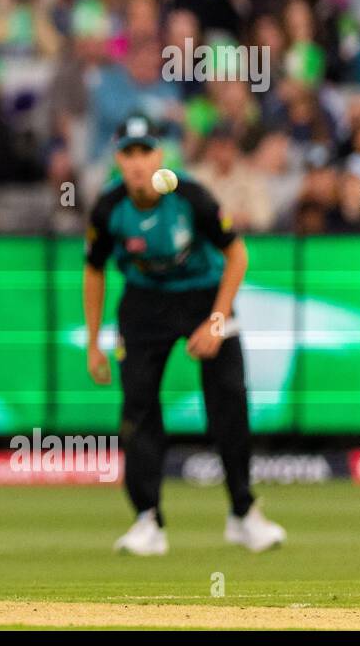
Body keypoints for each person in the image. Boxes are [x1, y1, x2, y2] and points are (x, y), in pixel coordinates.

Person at [82, 114, 286, 556]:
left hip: (204, 297)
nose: (137, 163)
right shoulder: (108, 208)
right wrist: (94, 343)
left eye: (144, 152)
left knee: (229, 400)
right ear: (117, 159)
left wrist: (215, 322)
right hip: (144, 304)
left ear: (159, 155)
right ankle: (147, 520)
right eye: (128, 153)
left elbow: (237, 255)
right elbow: (94, 270)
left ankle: (244, 513)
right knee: (137, 406)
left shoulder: (190, 196)